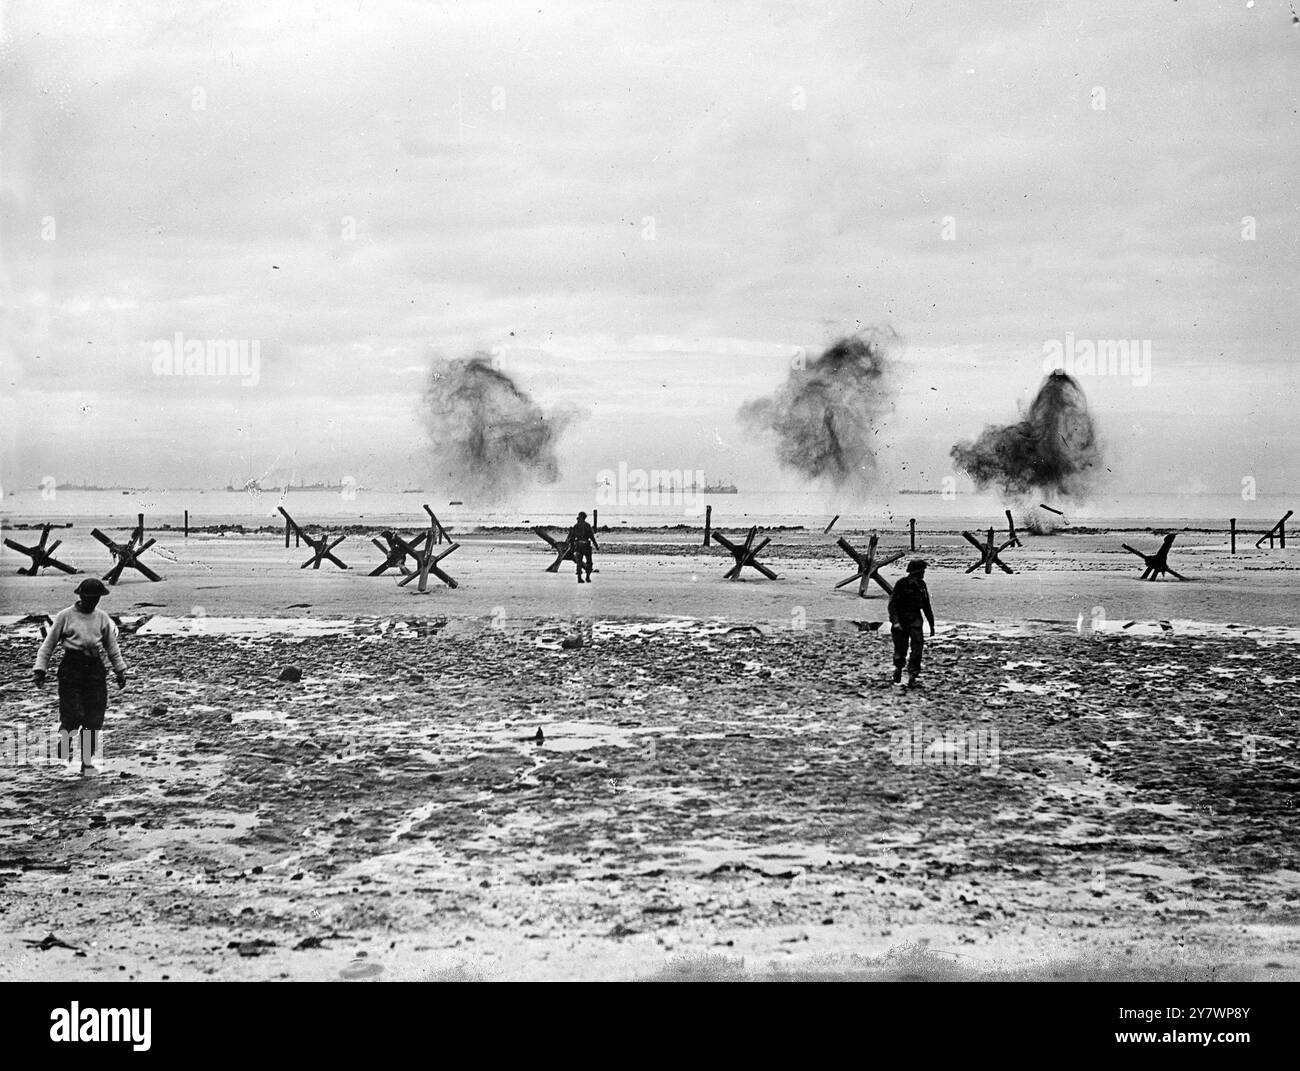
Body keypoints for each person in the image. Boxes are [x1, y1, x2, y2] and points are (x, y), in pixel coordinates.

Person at [32, 577, 128, 775]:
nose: (92, 601)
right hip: (71, 669)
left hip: (95, 670)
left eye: (96, 598)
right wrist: (40, 670)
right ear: (81, 596)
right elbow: (48, 645)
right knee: (73, 713)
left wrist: (120, 671)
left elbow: (112, 647)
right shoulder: (65, 616)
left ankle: (86, 762)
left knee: (94, 719)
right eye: (89, 598)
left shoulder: (102, 618)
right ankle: (65, 741)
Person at [888, 559, 935, 688]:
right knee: (900, 648)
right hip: (902, 619)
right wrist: (895, 622)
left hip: (916, 619)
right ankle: (898, 668)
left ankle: (913, 675)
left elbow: (926, 605)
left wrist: (931, 624)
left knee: (917, 648)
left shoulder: (922, 585)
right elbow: (892, 605)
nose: (924, 573)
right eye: (922, 570)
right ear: (917, 571)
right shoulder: (901, 584)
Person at [567, 511, 599, 583]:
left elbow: (572, 538)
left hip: (578, 545)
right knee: (589, 562)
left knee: (579, 562)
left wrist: (572, 547)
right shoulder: (587, 525)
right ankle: (587, 577)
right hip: (586, 546)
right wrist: (596, 545)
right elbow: (591, 536)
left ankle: (579, 578)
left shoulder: (576, 526)